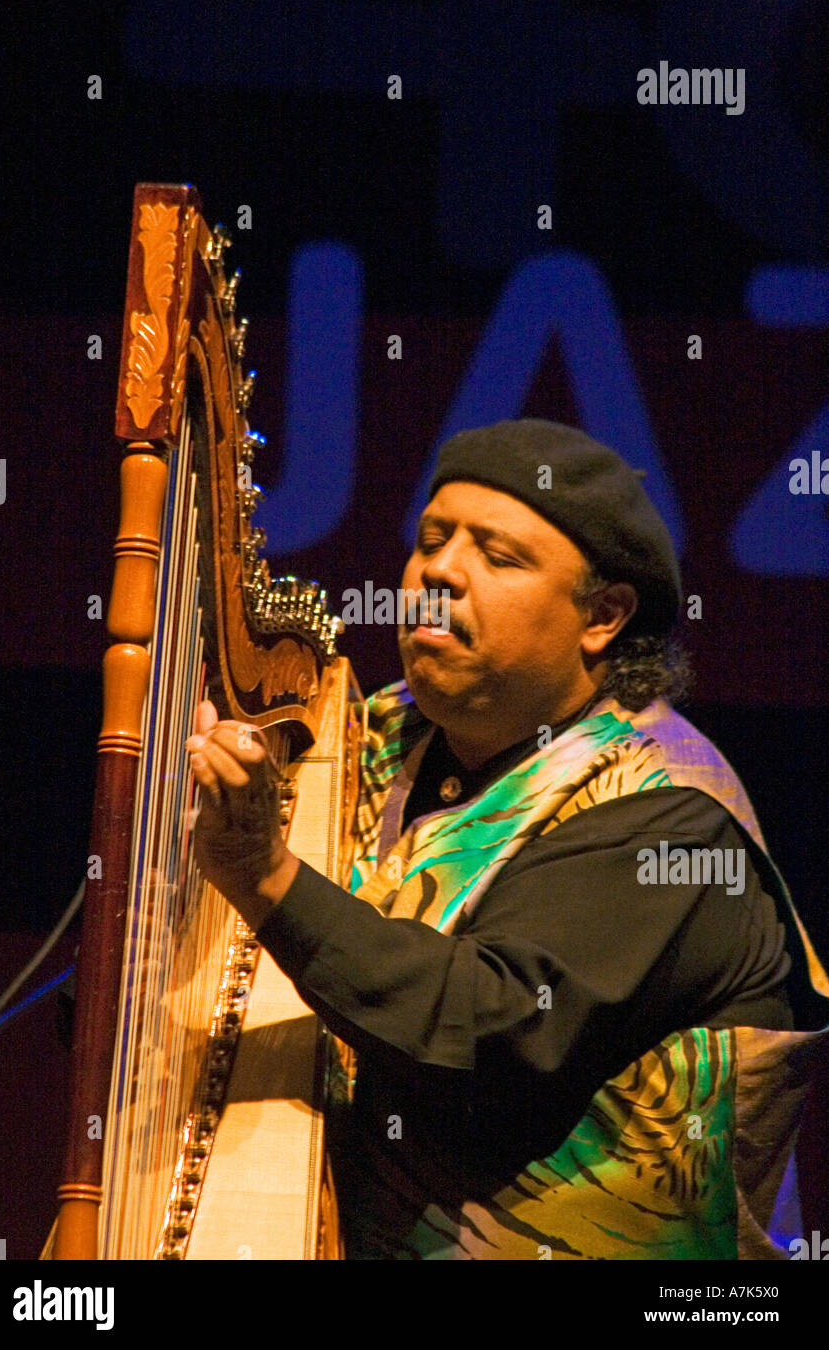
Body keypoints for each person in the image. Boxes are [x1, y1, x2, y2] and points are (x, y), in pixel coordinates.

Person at [187, 418, 829, 1261]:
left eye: (498, 556)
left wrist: (267, 879)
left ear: (602, 617)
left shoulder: (671, 813)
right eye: (431, 540)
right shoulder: (369, 742)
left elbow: (490, 1028)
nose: (439, 571)